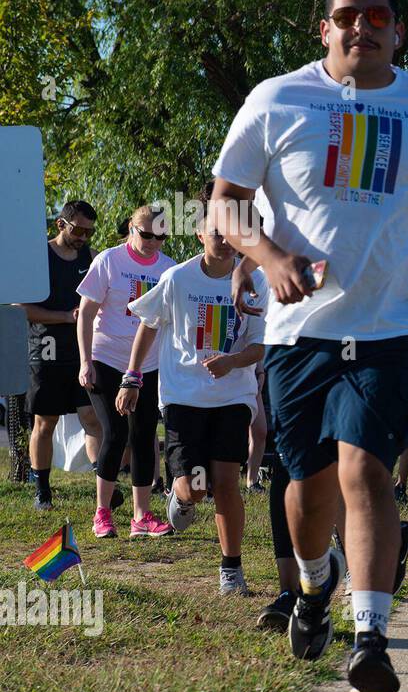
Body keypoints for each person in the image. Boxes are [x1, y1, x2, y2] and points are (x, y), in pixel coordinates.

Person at [210, 0, 408, 692]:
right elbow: (223, 205)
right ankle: (314, 580)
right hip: (300, 330)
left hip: (392, 325)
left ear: (398, 29)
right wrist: (270, 257)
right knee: (309, 485)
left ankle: (372, 640)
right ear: (324, 29)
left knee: (365, 472)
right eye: (347, 15)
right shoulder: (277, 98)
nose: (363, 26)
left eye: (378, 16)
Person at [117, 217, 266, 594]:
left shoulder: (255, 281)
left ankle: (231, 570)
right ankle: (181, 499)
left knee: (227, 483)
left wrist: (232, 361)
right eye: (217, 233)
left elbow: (263, 344)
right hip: (184, 396)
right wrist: (132, 376)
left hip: (233, 396)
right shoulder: (178, 279)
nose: (226, 241)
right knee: (195, 488)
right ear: (200, 235)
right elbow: (149, 324)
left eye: (233, 234)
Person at [77, 204, 177, 538]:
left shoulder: (169, 270)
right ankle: (102, 514)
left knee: (145, 435)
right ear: (130, 228)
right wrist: (85, 362)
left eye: (160, 235)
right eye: (145, 233)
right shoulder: (109, 260)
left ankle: (141, 517)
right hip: (105, 358)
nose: (152, 241)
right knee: (115, 433)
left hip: (148, 364)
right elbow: (86, 315)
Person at [23, 201, 103, 510]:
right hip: (45, 351)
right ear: (61, 224)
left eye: (89, 231)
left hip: (82, 352)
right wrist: (67, 317)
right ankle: (42, 489)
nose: (84, 236)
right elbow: (23, 310)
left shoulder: (92, 258)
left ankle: (103, 483)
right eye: (79, 229)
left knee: (92, 417)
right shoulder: (38, 259)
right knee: (46, 422)